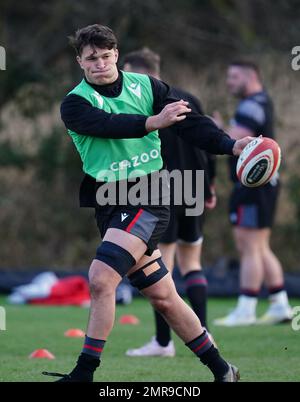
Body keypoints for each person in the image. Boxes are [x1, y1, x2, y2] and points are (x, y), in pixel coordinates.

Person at [43, 24, 252, 382]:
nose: (100, 63)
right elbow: (109, 124)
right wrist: (155, 121)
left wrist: (232, 146)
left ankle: (84, 373)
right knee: (164, 297)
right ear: (80, 61)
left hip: (149, 194)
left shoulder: (147, 86)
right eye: (91, 58)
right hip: (109, 201)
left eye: (106, 56)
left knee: (100, 278)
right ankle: (223, 370)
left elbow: (192, 124)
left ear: (117, 54)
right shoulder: (75, 103)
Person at [122, 48, 217, 358]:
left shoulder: (140, 103)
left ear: (135, 72)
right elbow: (209, 139)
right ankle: (203, 336)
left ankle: (164, 343)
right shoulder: (188, 97)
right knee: (193, 263)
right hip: (195, 188)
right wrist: (209, 184)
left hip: (161, 190)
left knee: (161, 268)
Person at [213, 61, 292, 326]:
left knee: (248, 246)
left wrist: (215, 129)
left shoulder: (252, 104)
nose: (229, 82)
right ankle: (280, 305)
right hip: (262, 186)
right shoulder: (260, 101)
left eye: (234, 76)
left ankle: (246, 309)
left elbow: (236, 138)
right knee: (259, 246)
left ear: (251, 76)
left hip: (254, 187)